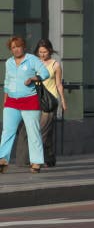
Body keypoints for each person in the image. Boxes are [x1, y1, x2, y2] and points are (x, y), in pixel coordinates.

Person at [0, 36, 50, 174]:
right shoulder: (9, 62)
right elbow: (7, 80)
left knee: (33, 132)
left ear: (23, 47)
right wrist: (5, 100)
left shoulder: (32, 59)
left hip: (29, 100)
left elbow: (45, 73)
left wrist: (34, 78)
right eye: (13, 47)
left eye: (18, 46)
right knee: (7, 131)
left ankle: (36, 162)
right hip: (11, 101)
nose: (16, 50)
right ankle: (2, 160)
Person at [16, 39, 66, 167]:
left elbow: (59, 84)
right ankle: (49, 159)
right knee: (44, 131)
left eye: (45, 51)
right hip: (34, 99)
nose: (42, 54)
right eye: (40, 52)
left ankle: (36, 160)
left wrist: (63, 101)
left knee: (42, 130)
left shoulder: (55, 65)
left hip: (49, 101)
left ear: (50, 50)